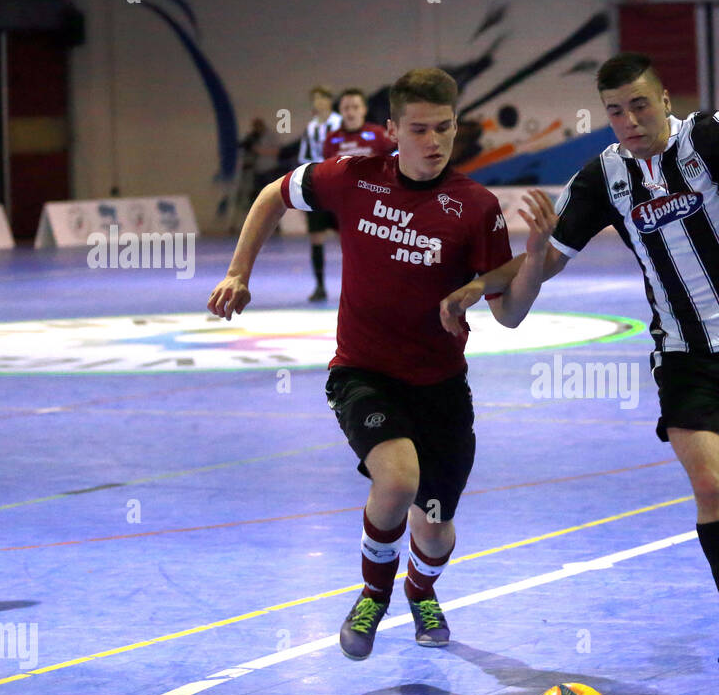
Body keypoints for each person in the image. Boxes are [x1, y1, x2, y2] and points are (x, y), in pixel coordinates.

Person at [440, 52, 719, 694]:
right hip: (684, 357)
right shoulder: (603, 180)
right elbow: (539, 275)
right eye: (615, 111)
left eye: (639, 105)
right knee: (708, 493)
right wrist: (485, 281)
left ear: (664, 98)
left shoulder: (711, 136)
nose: (630, 121)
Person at [208, 68, 551, 661]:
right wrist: (240, 270)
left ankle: (422, 590)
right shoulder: (352, 179)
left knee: (435, 524)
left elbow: (511, 313)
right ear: (391, 130)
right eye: (419, 129)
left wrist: (537, 255)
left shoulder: (475, 207)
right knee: (397, 479)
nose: (434, 141)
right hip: (363, 373)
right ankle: (373, 595)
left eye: (444, 128)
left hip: (441, 386)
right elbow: (272, 195)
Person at [298, 85, 342, 301]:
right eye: (313, 99)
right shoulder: (311, 128)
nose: (317, 103)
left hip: (340, 190)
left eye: (320, 99)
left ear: (329, 101)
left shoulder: (340, 124)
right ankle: (320, 286)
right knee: (316, 238)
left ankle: (356, 285)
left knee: (348, 239)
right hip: (317, 188)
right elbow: (303, 158)